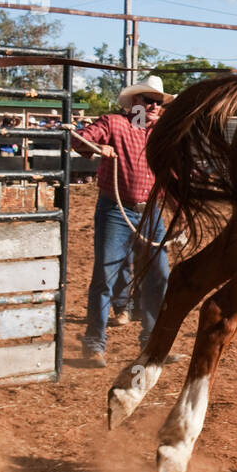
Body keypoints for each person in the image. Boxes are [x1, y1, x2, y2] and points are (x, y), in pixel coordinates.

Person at [72, 76, 174, 368]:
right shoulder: (115, 123)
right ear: (135, 103)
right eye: (148, 100)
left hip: (151, 211)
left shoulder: (160, 134)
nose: (154, 105)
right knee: (106, 275)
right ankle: (94, 344)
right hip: (116, 209)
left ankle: (153, 346)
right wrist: (95, 147)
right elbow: (79, 138)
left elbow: (170, 176)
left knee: (160, 276)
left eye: (158, 101)